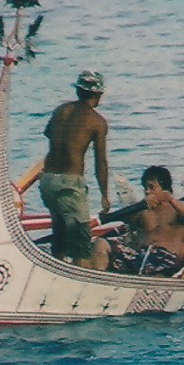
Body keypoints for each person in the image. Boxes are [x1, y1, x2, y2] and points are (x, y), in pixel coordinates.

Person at [39, 70, 111, 267]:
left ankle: (56, 274)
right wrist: (105, 197)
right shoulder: (97, 122)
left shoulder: (60, 110)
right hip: (69, 184)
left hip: (47, 181)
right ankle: (83, 286)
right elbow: (101, 163)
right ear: (98, 95)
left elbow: (49, 135)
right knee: (81, 244)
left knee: (59, 236)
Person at [109, 165, 184, 276]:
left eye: (151, 187)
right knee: (101, 245)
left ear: (164, 188)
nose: (147, 192)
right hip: (140, 257)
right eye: (145, 188)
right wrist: (141, 205)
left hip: (167, 259)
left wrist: (171, 200)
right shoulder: (142, 210)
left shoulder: (178, 207)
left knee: (154, 271)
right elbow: (126, 217)